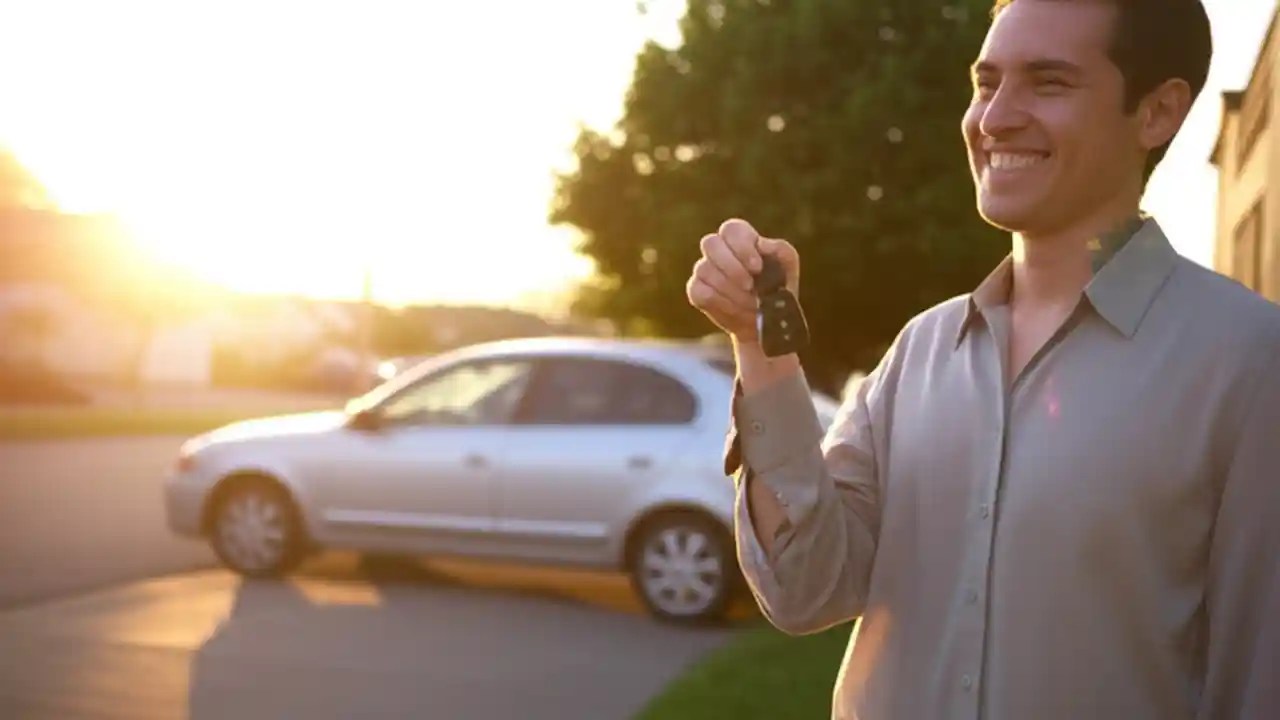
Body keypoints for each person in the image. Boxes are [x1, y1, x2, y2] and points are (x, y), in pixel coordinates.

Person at [685, 0, 1279, 718]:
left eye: (1048, 82)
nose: (993, 117)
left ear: (1156, 112)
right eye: (986, 81)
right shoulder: (918, 354)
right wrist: (762, 348)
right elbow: (803, 589)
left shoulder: (1250, 363)